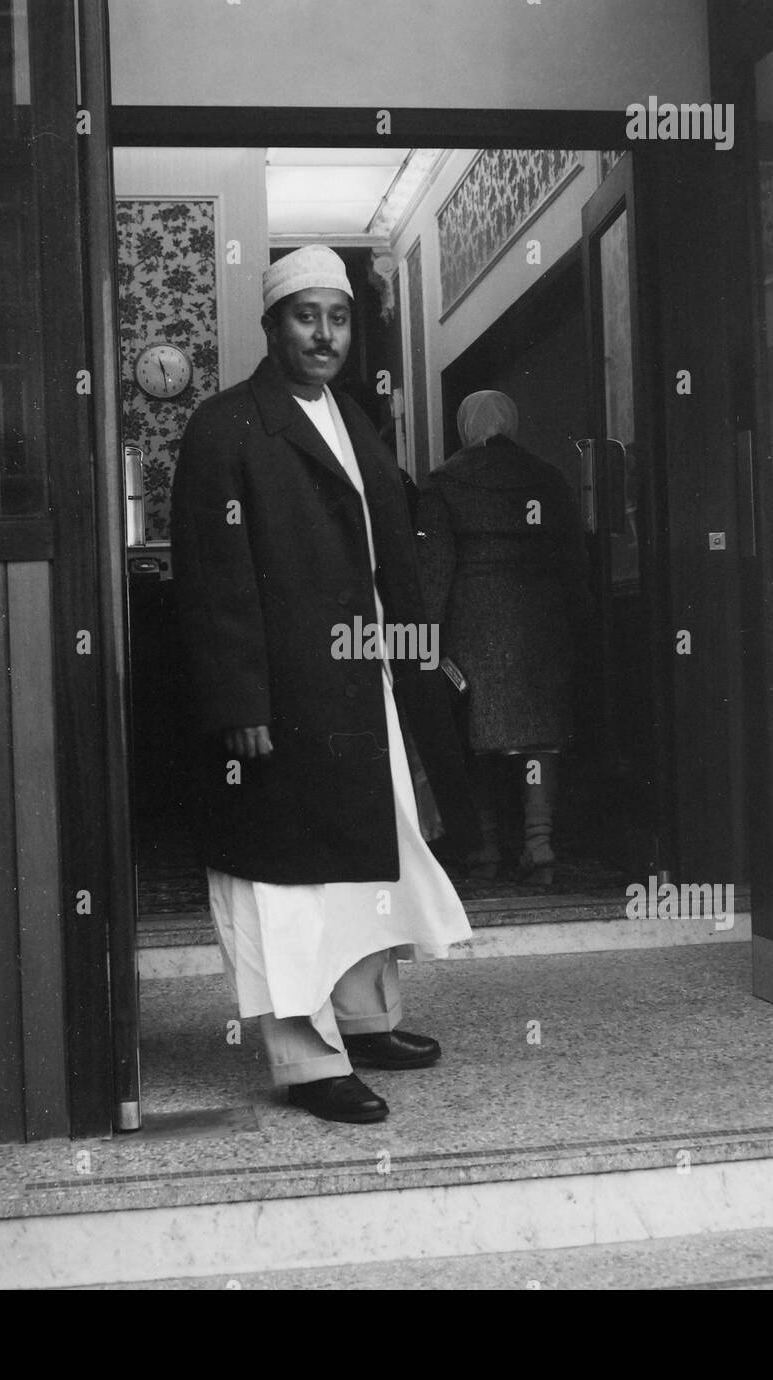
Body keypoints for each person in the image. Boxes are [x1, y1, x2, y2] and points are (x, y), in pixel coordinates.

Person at [170, 245, 478, 1124]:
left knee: (374, 858)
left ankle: (366, 1020)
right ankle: (308, 1064)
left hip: (366, 684)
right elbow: (212, 577)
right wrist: (240, 704)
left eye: (338, 317)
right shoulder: (228, 427)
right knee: (288, 886)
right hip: (285, 698)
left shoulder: (354, 419)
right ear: (272, 326)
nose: (324, 333)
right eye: (306, 316)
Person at [417, 391, 594, 886]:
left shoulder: (444, 484)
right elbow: (573, 559)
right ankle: (540, 845)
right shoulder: (548, 478)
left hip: (473, 622)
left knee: (476, 738)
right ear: (512, 422)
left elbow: (434, 570)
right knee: (539, 741)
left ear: (463, 425)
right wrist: (578, 624)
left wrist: (426, 639)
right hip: (541, 620)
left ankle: (484, 849)